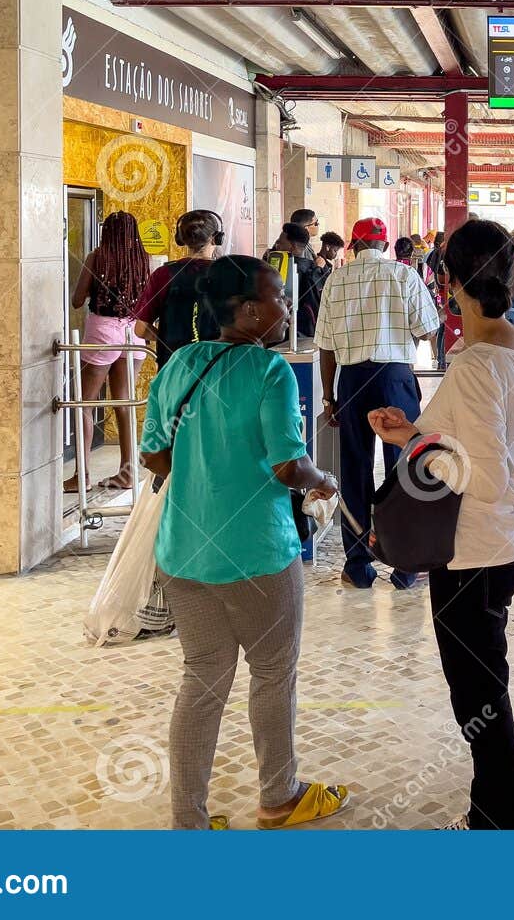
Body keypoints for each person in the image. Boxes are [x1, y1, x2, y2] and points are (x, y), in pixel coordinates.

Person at [369, 220, 514, 829]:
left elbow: (483, 478)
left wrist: (421, 446)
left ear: (452, 285)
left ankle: (497, 825)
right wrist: (415, 431)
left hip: (474, 552)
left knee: (481, 702)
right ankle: (487, 818)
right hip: (512, 545)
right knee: (485, 689)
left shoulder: (473, 369)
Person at [138, 255, 344, 830]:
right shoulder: (269, 371)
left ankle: (190, 822)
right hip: (258, 554)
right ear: (250, 310)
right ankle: (279, 797)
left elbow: (155, 457)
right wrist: (324, 480)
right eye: (278, 296)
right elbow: (287, 466)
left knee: (201, 682)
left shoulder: (178, 364)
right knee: (274, 673)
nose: (286, 306)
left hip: (184, 553)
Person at [316, 217, 442, 589]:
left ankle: (357, 565)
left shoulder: (336, 279)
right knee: (402, 470)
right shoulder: (404, 276)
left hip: (351, 380)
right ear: (385, 246)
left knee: (354, 470)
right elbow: (428, 329)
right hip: (394, 379)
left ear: (354, 246)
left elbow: (326, 344)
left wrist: (329, 396)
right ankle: (404, 565)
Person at [66, 211, 150, 492]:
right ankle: (128, 473)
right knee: (125, 404)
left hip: (102, 331)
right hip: (134, 333)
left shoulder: (97, 256)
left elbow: (77, 300)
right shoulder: (143, 259)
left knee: (85, 403)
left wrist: (98, 290)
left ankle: (81, 476)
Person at [135, 209, 222, 371]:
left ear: (181, 239)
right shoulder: (228, 273)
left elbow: (141, 329)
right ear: (217, 238)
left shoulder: (163, 274)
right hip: (218, 367)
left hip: (173, 368)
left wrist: (170, 340)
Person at [265, 221, 319, 339]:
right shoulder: (315, 269)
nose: (277, 245)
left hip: (286, 332)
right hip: (309, 332)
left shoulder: (282, 272)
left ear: (293, 246)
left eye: (280, 242)